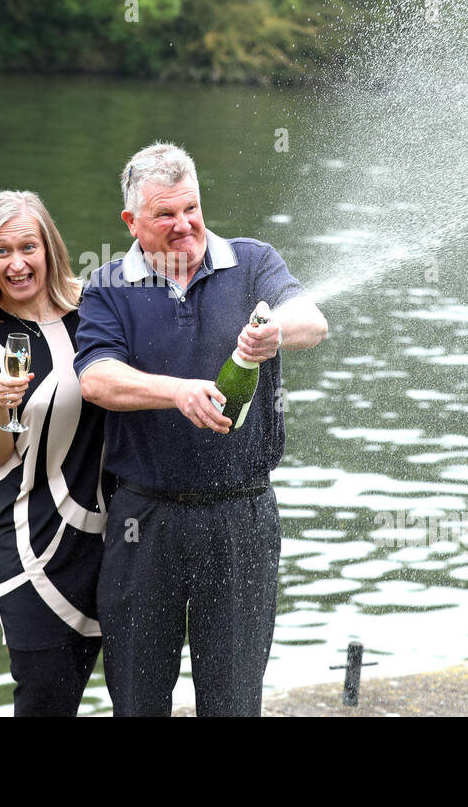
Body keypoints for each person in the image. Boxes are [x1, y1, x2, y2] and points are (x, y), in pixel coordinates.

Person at [74, 142, 328, 716]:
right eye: (165, 214)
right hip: (145, 520)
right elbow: (96, 379)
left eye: (191, 208)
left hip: (242, 515)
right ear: (131, 222)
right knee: (138, 701)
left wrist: (276, 333)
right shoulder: (106, 286)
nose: (184, 225)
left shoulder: (254, 262)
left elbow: (312, 320)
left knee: (234, 703)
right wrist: (178, 390)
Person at [0, 190, 110, 716]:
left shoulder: (96, 307)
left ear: (50, 248)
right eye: (1, 252)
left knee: (138, 693)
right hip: (32, 541)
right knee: (45, 701)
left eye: (28, 247)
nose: (17, 264)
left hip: (120, 535)